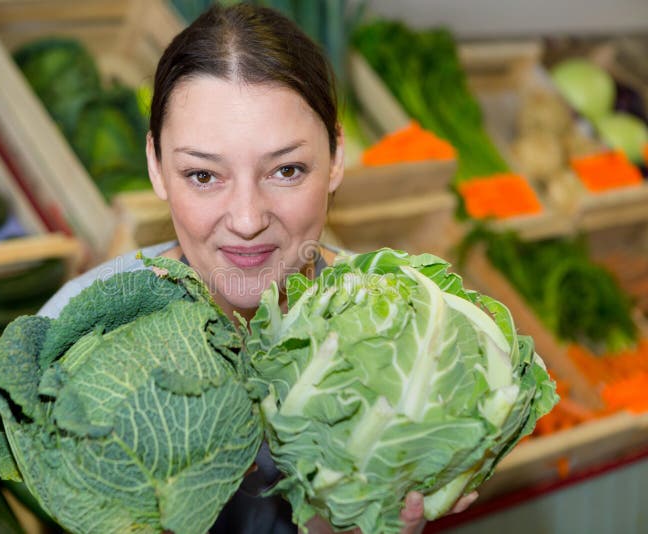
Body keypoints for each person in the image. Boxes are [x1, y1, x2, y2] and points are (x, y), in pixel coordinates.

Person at [39, 3, 477, 533]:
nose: (247, 220)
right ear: (155, 166)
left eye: (286, 170)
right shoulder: (79, 325)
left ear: (336, 158)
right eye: (203, 175)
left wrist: (373, 520)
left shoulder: (405, 336)